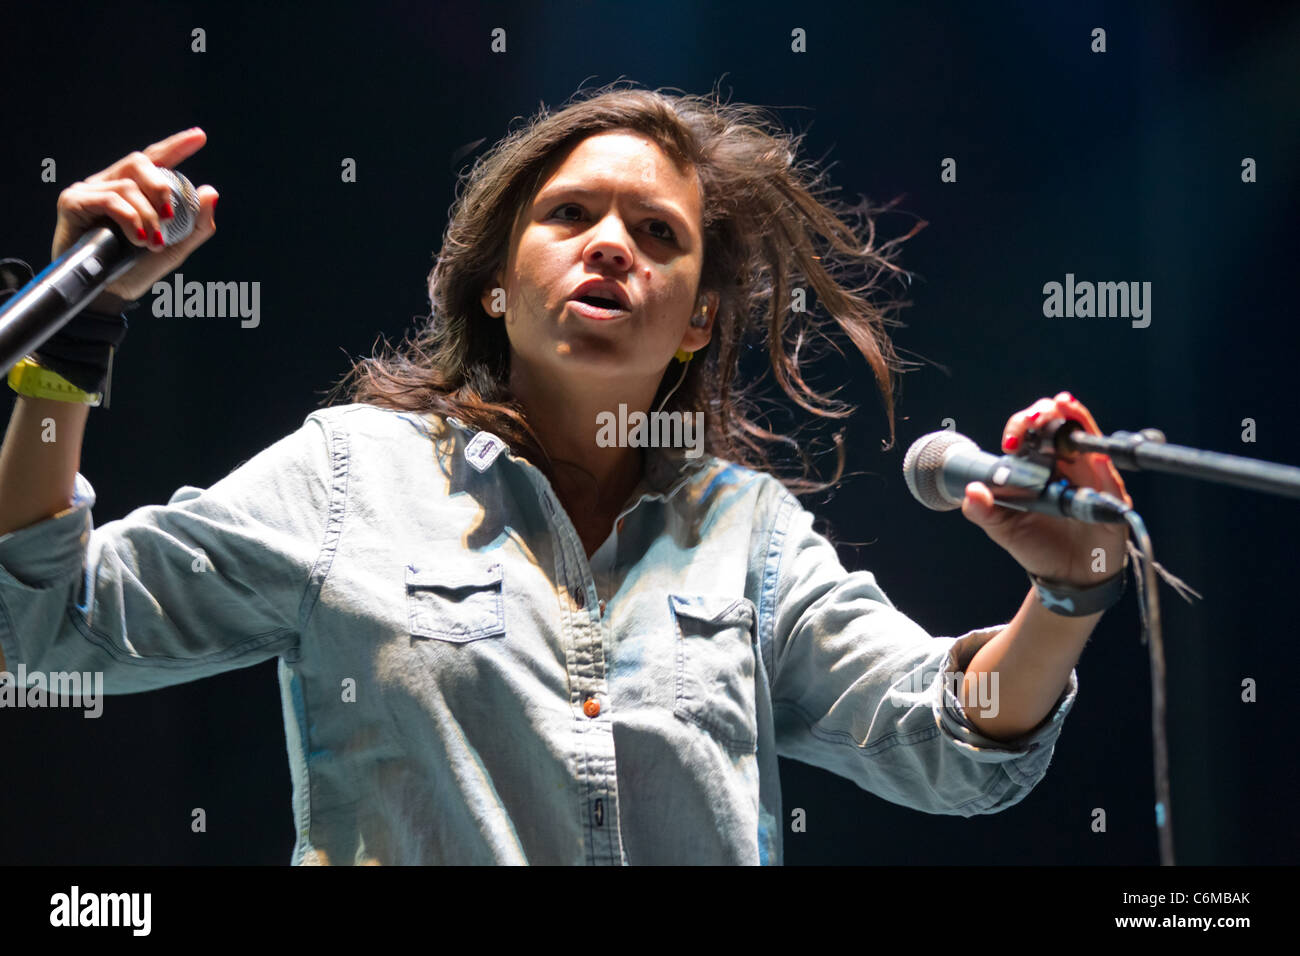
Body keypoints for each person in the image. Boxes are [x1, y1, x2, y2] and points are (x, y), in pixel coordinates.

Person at [0, 83, 1132, 865]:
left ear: (694, 321)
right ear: (496, 283)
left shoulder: (751, 534)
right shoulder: (352, 471)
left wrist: (1069, 592)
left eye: (657, 232)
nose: (609, 244)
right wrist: (72, 345)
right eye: (570, 214)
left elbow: (952, 741)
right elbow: (44, 618)